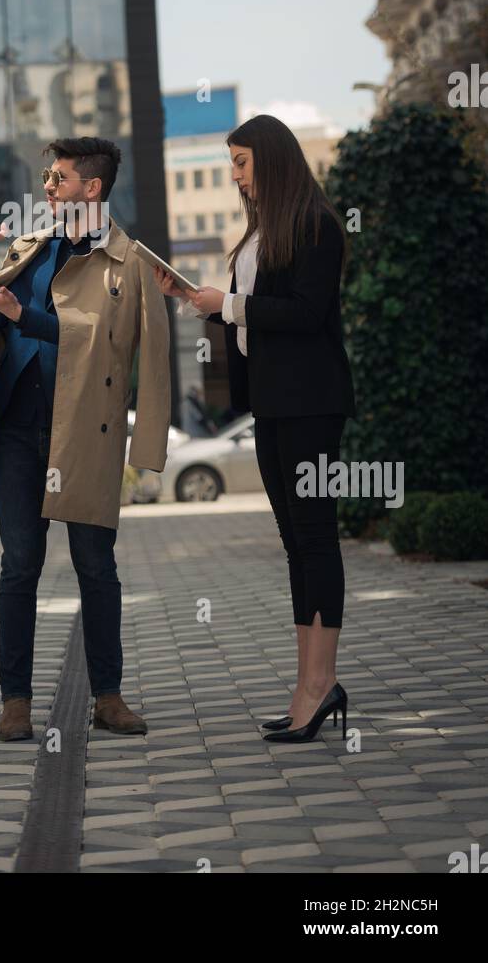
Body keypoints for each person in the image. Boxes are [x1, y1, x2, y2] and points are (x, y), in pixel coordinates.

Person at [0, 137, 170, 742]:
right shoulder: (30, 249)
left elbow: (114, 344)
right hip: (20, 431)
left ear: (91, 188)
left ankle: (110, 697)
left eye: (59, 176)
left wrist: (29, 318)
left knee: (96, 566)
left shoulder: (130, 264)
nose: (47, 185)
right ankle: (15, 703)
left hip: (87, 435)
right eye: (46, 175)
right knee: (19, 567)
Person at [154, 114, 356, 744]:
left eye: (241, 163)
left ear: (270, 161)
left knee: (316, 541)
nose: (235, 176)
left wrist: (229, 304)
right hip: (270, 405)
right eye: (232, 164)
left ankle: (319, 686)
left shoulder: (317, 225)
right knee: (295, 544)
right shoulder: (261, 235)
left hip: (311, 404)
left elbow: (303, 313)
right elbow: (251, 324)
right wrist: (200, 303)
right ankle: (308, 684)